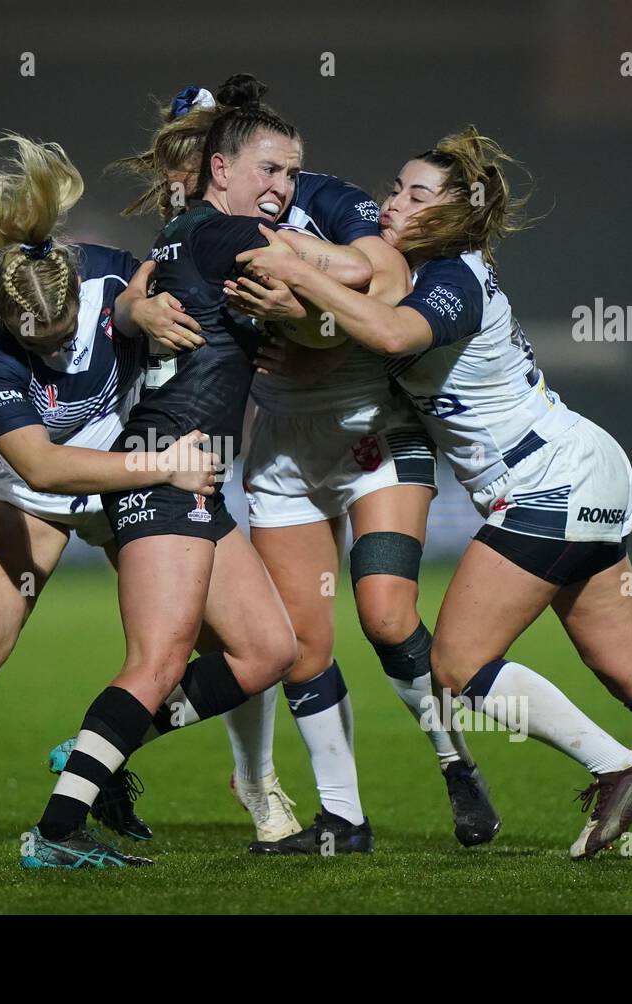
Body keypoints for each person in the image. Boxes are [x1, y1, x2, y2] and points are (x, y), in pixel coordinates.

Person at [236, 125, 632, 860]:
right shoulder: (415, 269)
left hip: (545, 482)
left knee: (457, 666)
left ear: (455, 215)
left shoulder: (453, 279)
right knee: (631, 670)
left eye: (415, 194)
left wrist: (296, 278)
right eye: (395, 187)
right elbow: (350, 311)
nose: (392, 202)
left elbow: (392, 337)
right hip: (572, 471)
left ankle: (620, 768)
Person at [117, 77, 499, 854]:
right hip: (286, 442)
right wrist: (136, 310)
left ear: (224, 152)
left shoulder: (317, 195)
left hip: (374, 430)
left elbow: (383, 273)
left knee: (389, 618)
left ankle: (453, 758)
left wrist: (296, 279)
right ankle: (342, 818)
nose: (188, 164)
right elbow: (130, 301)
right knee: (303, 645)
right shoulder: (192, 225)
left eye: (201, 144)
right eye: (179, 149)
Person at [0, 135, 218, 861]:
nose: (58, 355)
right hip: (32, 491)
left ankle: (248, 784)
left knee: (238, 642)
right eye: (42, 347)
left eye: (66, 338)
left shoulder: (107, 277)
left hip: (128, 472)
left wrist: (147, 313)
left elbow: (158, 298)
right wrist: (164, 467)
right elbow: (45, 468)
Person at [21, 85, 303, 869]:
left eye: (292, 173)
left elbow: (164, 307)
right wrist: (370, 283)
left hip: (192, 474)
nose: (283, 187)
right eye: (271, 168)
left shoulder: (178, 236)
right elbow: (309, 273)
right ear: (222, 168)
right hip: (167, 469)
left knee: (267, 650)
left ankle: (97, 755)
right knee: (158, 662)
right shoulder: (229, 234)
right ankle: (56, 833)